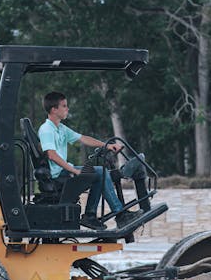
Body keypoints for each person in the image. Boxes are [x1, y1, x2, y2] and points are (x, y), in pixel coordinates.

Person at [38, 91, 140, 230]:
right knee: (100, 172)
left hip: (65, 171)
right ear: (54, 110)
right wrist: (74, 170)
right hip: (58, 176)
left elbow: (83, 138)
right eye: (64, 106)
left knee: (100, 174)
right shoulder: (46, 130)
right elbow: (52, 155)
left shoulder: (60, 128)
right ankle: (120, 214)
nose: (67, 109)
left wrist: (108, 145)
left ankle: (90, 216)